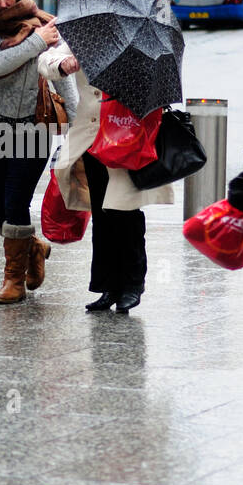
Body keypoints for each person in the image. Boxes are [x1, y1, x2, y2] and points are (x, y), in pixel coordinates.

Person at [0, 0, 78, 304]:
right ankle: (33, 247)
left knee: (15, 201)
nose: (1, 3)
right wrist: (35, 41)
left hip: (35, 125)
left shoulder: (45, 25)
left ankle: (13, 280)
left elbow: (59, 73)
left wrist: (78, 126)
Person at [39, 44, 171, 313]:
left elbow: (160, 83)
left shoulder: (143, 42)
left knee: (126, 211)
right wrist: (64, 64)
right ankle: (108, 286)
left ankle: (132, 285)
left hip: (128, 135)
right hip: (92, 138)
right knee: (102, 214)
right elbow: (45, 60)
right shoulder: (90, 32)